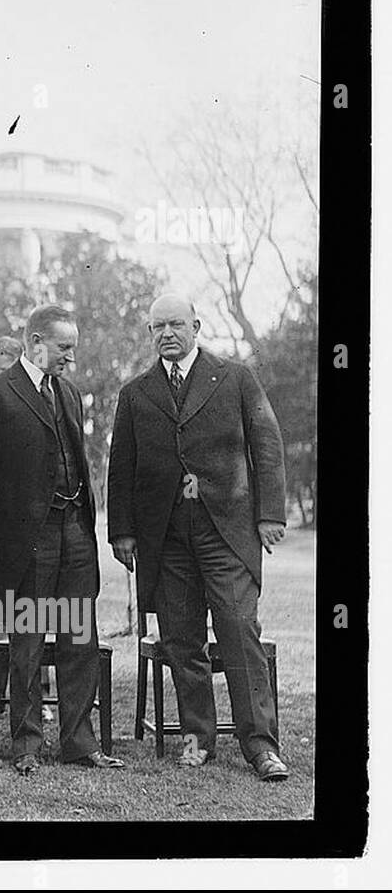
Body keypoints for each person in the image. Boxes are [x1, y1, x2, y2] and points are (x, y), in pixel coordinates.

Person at [107, 294, 289, 782]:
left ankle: (260, 746)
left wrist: (270, 514)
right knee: (181, 641)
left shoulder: (235, 377)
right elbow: (120, 467)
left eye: (175, 324)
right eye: (157, 326)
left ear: (196, 326)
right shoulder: (135, 392)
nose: (167, 333)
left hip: (226, 533)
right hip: (165, 539)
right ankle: (197, 741)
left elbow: (266, 445)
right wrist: (122, 531)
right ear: (150, 333)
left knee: (237, 631)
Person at [0, 306, 124, 775]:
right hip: (28, 540)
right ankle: (26, 747)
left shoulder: (70, 393)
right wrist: (8, 528)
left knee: (79, 636)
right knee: (29, 641)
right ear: (36, 341)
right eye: (64, 348)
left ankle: (80, 743)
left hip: (75, 531)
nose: (71, 358)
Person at [0, 333, 53, 721]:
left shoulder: (40, 398)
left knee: (45, 613)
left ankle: (38, 695)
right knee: (9, 615)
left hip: (41, 528)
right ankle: (1, 694)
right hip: (3, 530)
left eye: (3, 370)